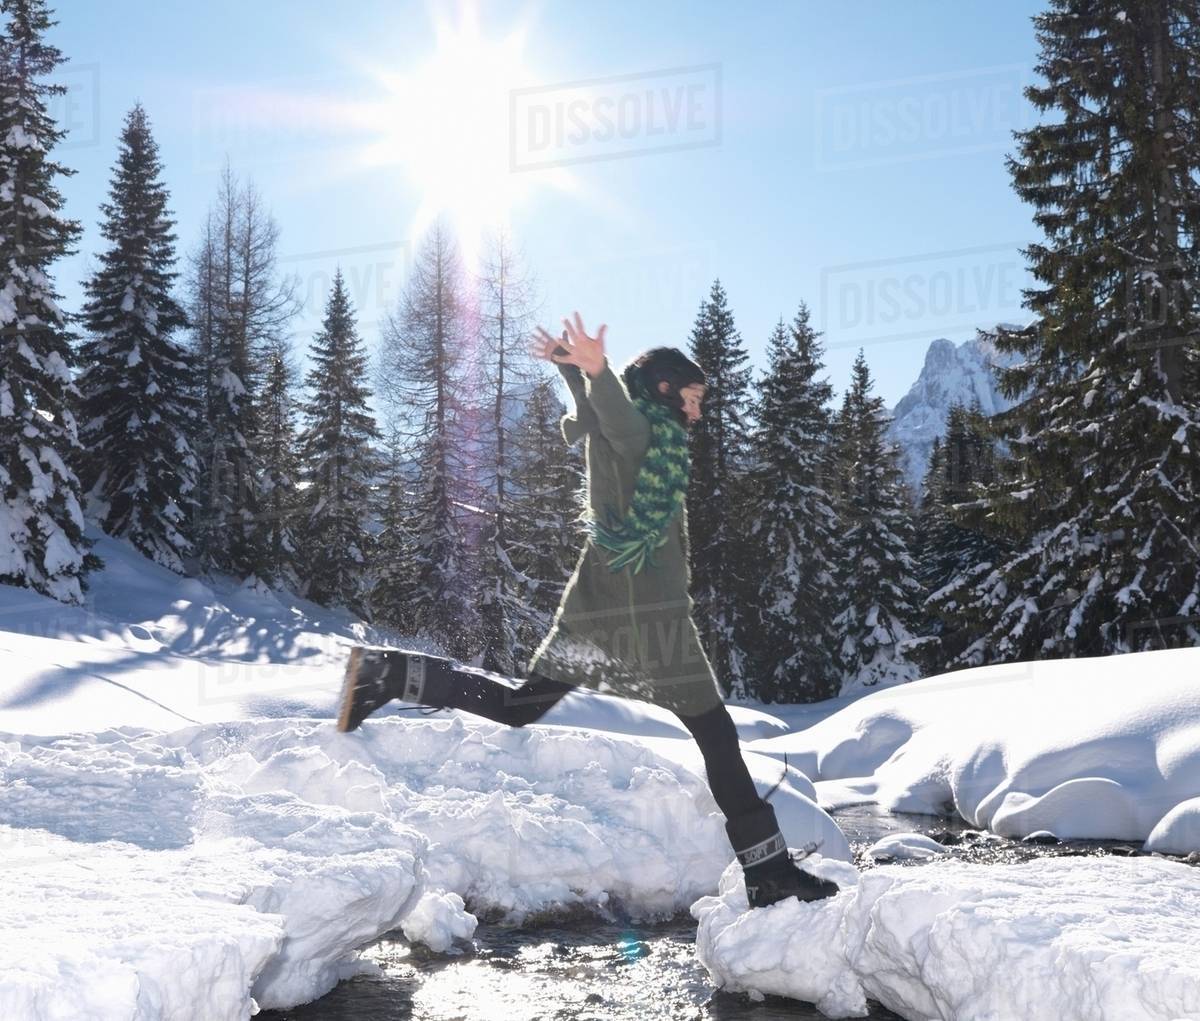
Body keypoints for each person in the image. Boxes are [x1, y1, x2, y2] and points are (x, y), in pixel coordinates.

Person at [337, 311, 842, 908]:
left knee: (520, 705)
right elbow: (620, 417)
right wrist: (597, 373)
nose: (697, 411)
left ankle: (387, 673)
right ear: (663, 391)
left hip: (600, 605)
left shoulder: (627, 436)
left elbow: (608, 416)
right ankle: (769, 872)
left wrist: (575, 373)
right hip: (650, 619)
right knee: (716, 733)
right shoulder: (640, 435)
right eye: (692, 397)